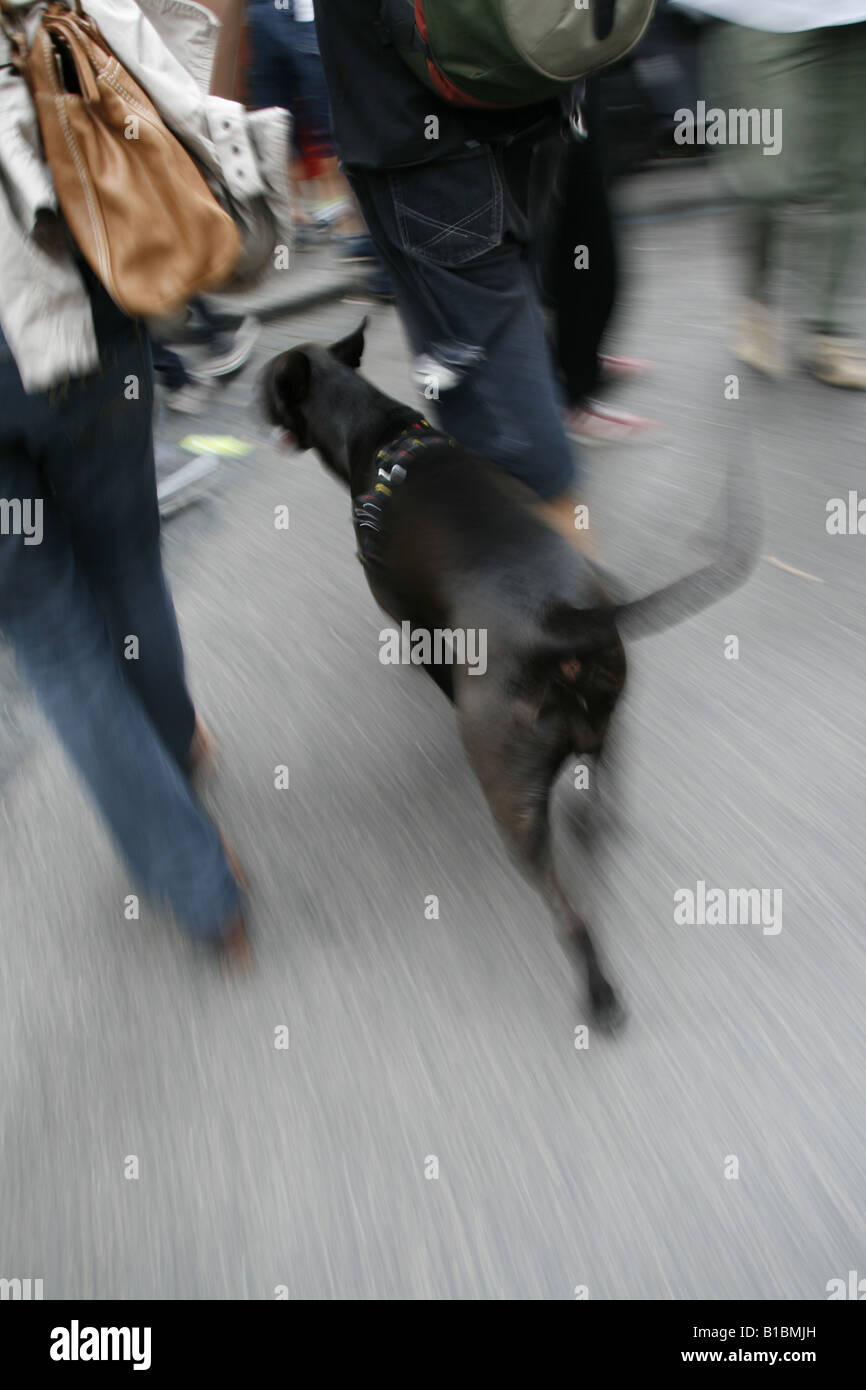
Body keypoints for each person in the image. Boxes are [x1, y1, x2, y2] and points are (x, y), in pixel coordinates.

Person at [0, 0, 258, 960]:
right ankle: (178, 739)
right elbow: (174, 33)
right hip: (66, 293)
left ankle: (204, 895)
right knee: (122, 558)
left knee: (50, 641)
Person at [314, 1, 589, 541]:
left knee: (496, 396)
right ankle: (552, 576)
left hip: (417, 132)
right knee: (511, 336)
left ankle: (564, 597)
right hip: (533, 84)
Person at [677, 0, 866, 385]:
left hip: (854, 16)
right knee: (768, 171)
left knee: (851, 169)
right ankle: (756, 304)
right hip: (761, 12)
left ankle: (829, 332)